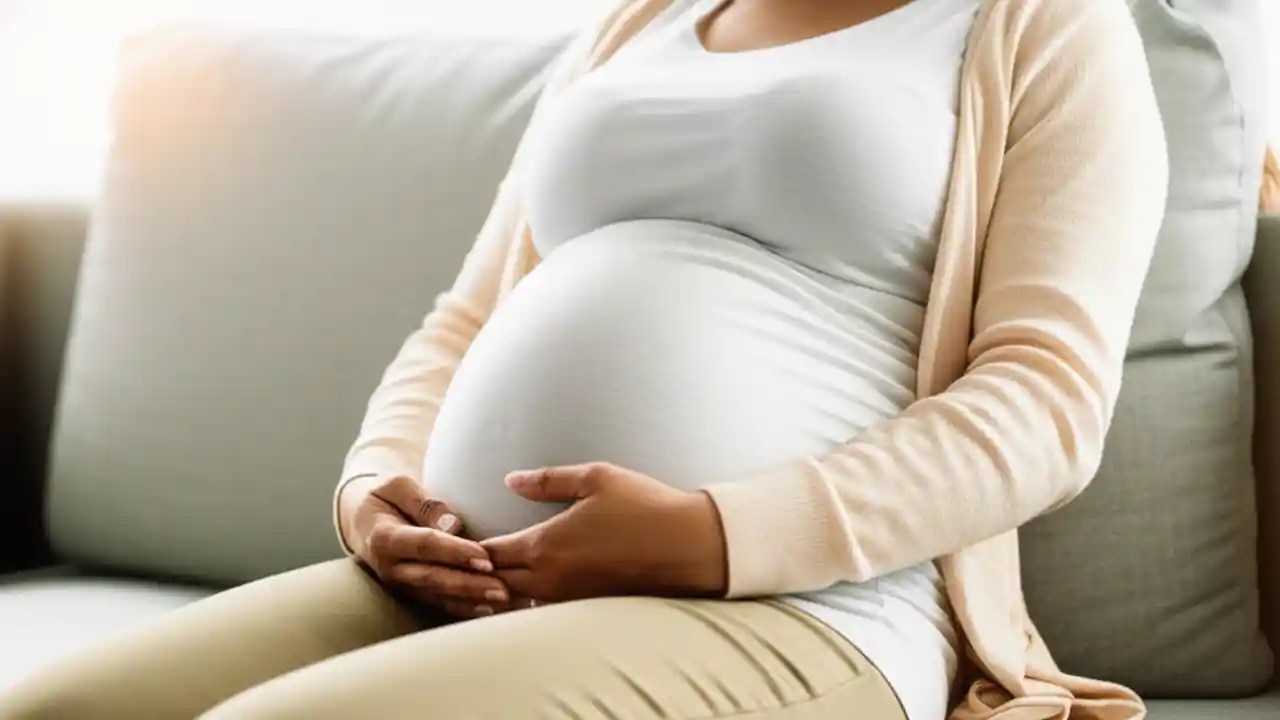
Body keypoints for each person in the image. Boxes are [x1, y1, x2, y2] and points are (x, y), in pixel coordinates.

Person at [1, 0, 1175, 718]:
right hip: (460, 584)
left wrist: (716, 534)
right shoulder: (639, 22)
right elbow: (462, 316)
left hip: (805, 613)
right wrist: (373, 492)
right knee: (57, 711)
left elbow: (1042, 401)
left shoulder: (1039, 23)